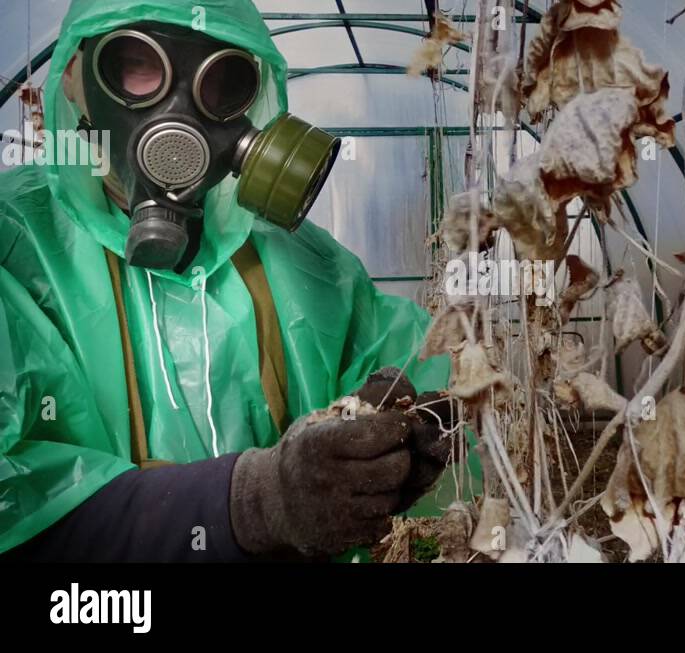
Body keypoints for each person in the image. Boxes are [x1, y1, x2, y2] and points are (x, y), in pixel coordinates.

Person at [0, 0, 452, 562]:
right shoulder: (13, 246)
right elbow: (11, 499)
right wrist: (253, 503)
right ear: (73, 76)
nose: (180, 111)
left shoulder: (305, 261)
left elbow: (414, 360)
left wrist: (401, 436)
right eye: (139, 64)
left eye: (221, 81)